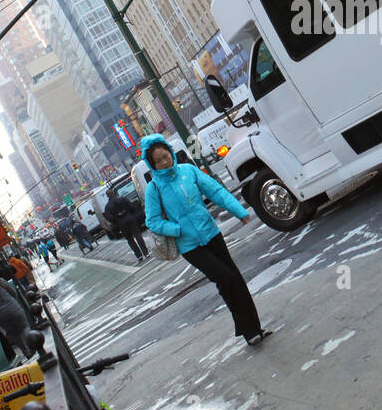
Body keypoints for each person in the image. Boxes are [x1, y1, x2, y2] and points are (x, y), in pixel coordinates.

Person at [140, 133, 271, 346]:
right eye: (159, 160)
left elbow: (215, 191)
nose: (165, 162)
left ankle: (253, 330)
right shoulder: (154, 189)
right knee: (226, 278)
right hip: (190, 246)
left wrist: (238, 210)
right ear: (152, 164)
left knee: (234, 279)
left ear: (170, 153)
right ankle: (247, 329)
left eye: (166, 156)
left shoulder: (188, 171)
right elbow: (153, 221)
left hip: (211, 234)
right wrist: (177, 230)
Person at [0, 267, 33, 358]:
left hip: (0, 315)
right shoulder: (0, 281)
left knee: (14, 334)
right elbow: (13, 292)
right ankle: (32, 344)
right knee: (24, 327)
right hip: (13, 308)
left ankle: (26, 351)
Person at [105, 189, 150, 263]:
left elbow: (109, 217)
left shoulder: (108, 206)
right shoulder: (122, 199)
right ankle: (146, 252)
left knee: (130, 239)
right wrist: (130, 214)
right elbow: (132, 206)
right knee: (138, 235)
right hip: (130, 218)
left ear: (107, 196)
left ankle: (139, 255)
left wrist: (116, 220)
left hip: (121, 223)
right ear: (113, 193)